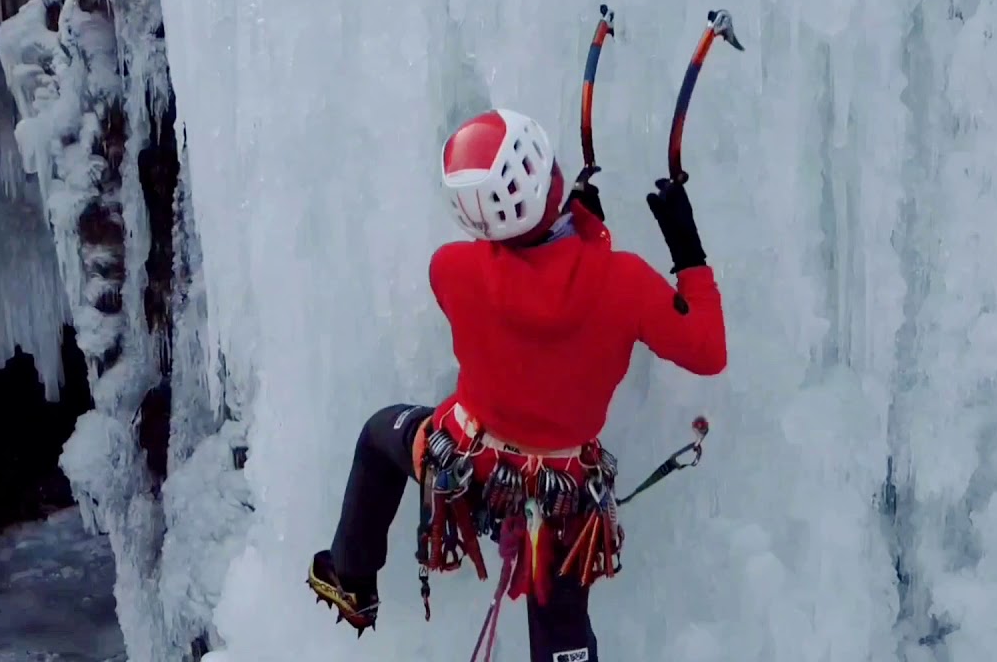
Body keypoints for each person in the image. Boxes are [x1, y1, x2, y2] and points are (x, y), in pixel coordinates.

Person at [306, 108, 727, 662]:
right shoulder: (624, 284)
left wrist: (574, 229)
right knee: (560, 628)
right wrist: (685, 250)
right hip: (562, 494)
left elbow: (520, 276)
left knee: (379, 436)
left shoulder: (450, 269)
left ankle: (352, 579)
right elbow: (706, 350)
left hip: (463, 460)